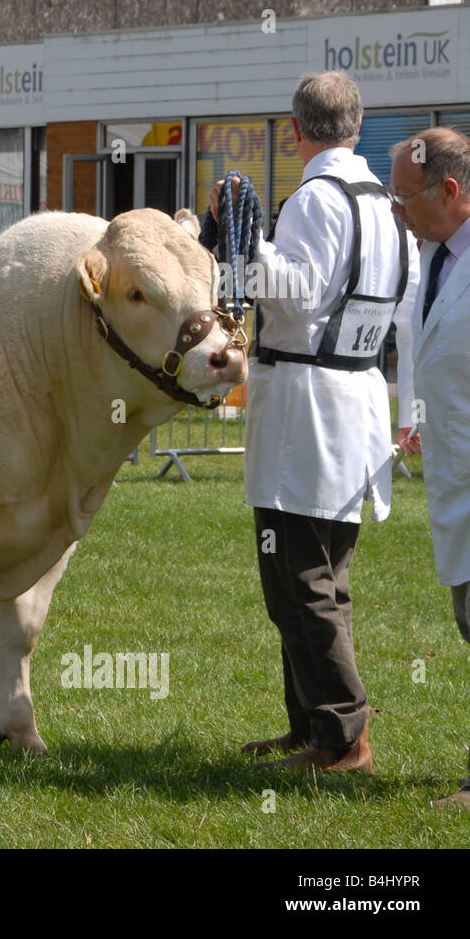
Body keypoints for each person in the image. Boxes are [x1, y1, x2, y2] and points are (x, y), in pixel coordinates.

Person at [201, 72, 417, 773]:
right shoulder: (388, 205)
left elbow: (294, 296)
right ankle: (312, 723)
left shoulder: (314, 201)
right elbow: (405, 308)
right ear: (355, 125)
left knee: (298, 580)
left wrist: (244, 248)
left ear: (296, 132)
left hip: (305, 405)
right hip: (356, 399)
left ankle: (341, 738)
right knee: (326, 573)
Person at [387, 126, 470, 810]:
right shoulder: (439, 256)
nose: (396, 208)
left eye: (406, 196)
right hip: (456, 471)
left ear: (451, 192)